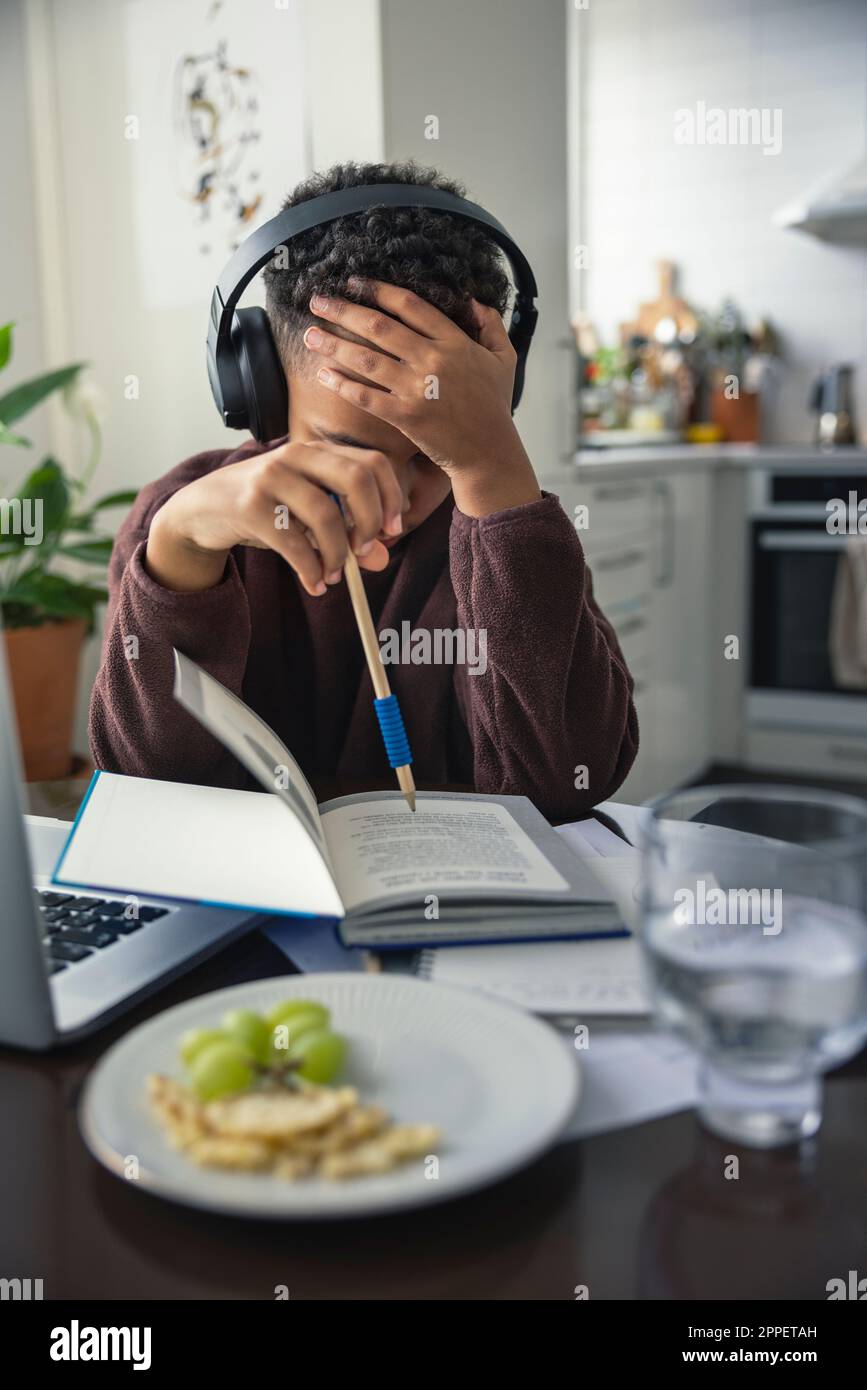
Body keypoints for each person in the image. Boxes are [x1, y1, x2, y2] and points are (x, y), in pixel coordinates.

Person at [89, 161, 638, 822]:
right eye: (348, 454)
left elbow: (565, 782)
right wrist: (178, 554)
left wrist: (492, 472)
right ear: (258, 387)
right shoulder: (179, 522)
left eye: (438, 457)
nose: (395, 506)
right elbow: (146, 791)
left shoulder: (511, 532)